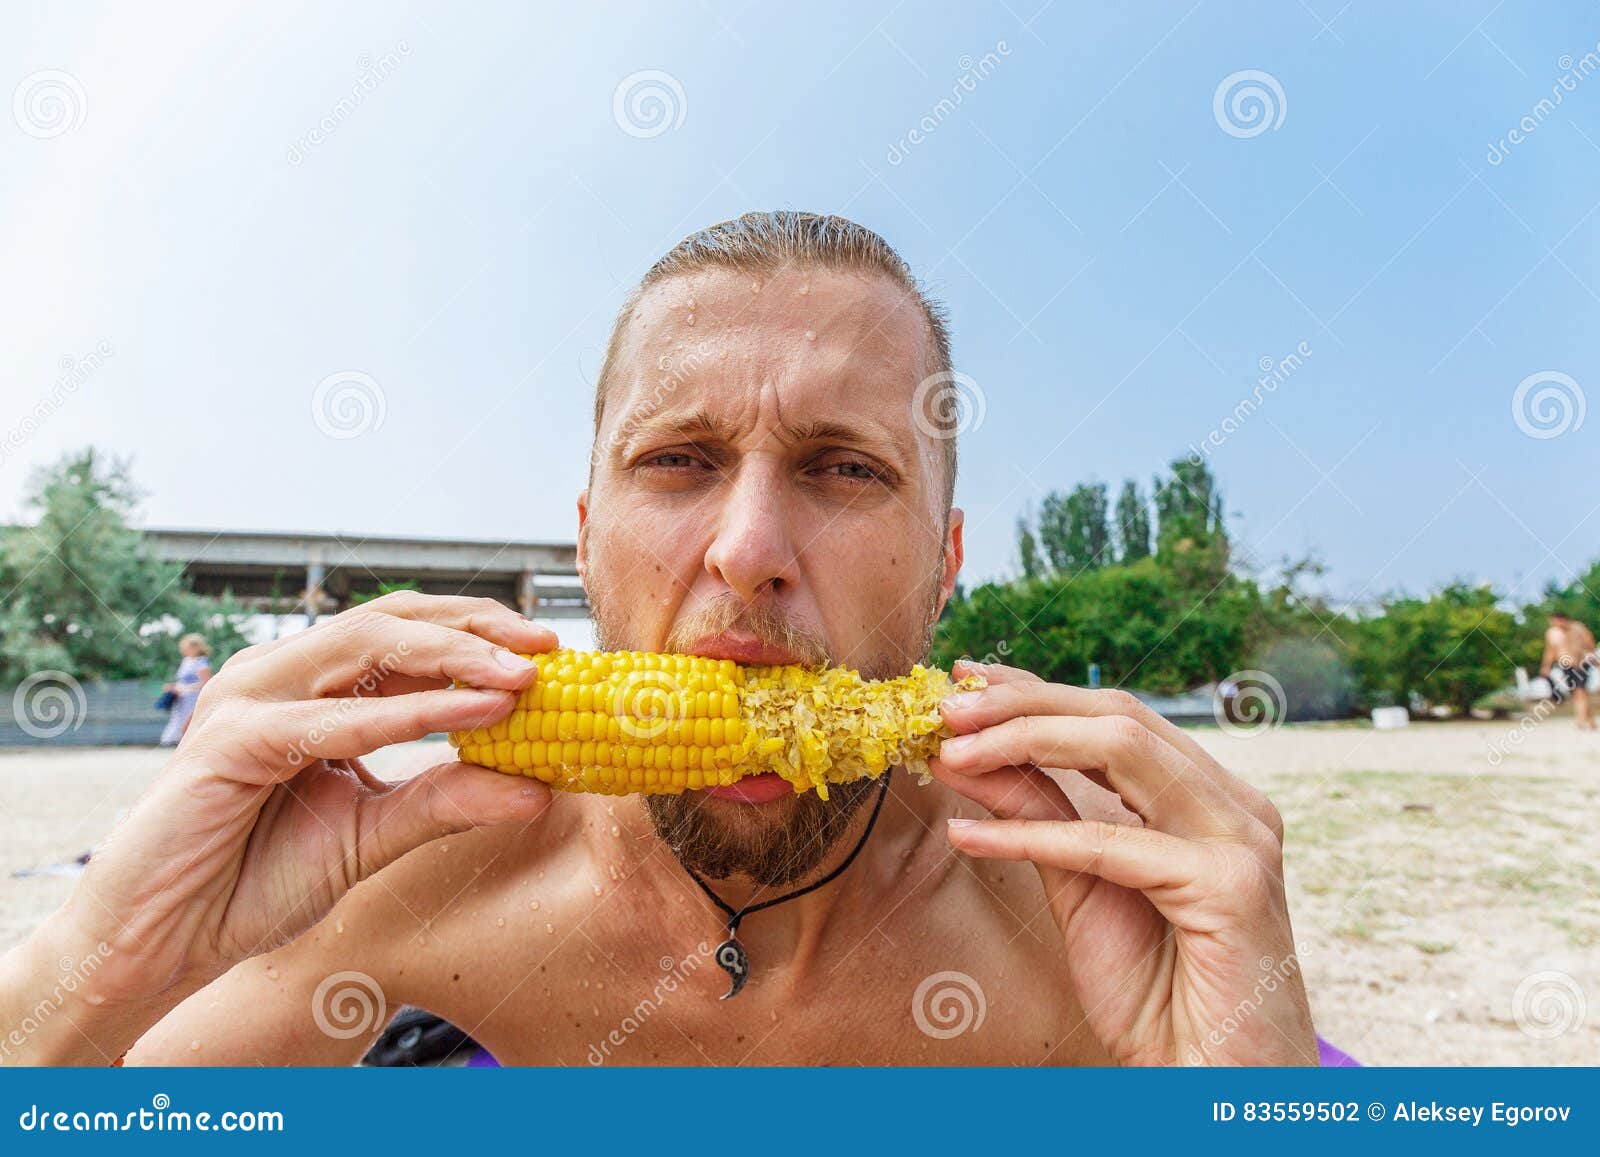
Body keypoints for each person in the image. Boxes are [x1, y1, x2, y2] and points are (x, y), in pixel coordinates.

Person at [0, 212, 1315, 1066]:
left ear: (946, 564)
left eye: (846, 469)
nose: (748, 548)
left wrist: (1244, 1101)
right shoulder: (414, 877)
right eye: (679, 460)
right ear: (583, 544)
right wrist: (97, 958)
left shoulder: (1081, 911)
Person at [1540, 611, 1598, 730]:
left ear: (1563, 619)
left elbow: (1589, 643)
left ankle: (1580, 721)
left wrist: (1595, 659)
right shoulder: (1552, 633)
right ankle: (1590, 720)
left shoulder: (1578, 628)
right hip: (1566, 665)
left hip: (1582, 663)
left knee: (1580, 691)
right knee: (1578, 693)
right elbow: (1550, 650)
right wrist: (1546, 666)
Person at [157, 633, 212, 746]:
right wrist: (173, 687)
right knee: (178, 723)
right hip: (182, 699)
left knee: (190, 724)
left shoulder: (201, 662)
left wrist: (185, 689)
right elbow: (182, 681)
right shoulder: (186, 661)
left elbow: (207, 683)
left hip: (194, 699)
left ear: (197, 648)